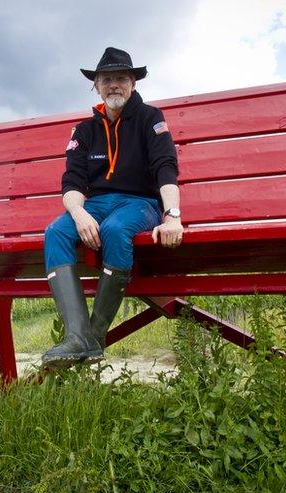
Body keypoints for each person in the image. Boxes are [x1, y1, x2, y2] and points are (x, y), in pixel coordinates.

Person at [42, 47, 183, 367]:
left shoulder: (150, 118)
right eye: (106, 79)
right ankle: (77, 338)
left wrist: (172, 215)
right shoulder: (84, 130)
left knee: (115, 229)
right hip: (95, 205)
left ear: (133, 83)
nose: (113, 85)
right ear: (96, 86)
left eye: (121, 78)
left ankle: (95, 335)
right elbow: (72, 184)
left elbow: (166, 167)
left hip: (140, 204)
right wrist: (78, 215)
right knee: (55, 232)